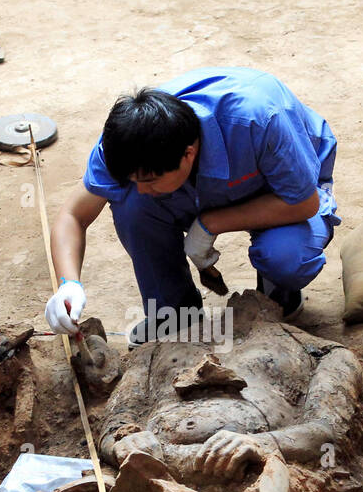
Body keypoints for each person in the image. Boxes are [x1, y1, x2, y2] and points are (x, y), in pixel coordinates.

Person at [44, 67, 339, 345]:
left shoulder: (259, 122)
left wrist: (209, 224)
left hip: (281, 187)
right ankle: (174, 312)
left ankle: (277, 297)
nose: (142, 188)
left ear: (188, 154)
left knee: (286, 257)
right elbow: (73, 215)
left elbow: (302, 203)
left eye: (150, 179)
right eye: (134, 178)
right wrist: (68, 284)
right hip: (202, 182)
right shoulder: (126, 144)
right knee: (132, 205)